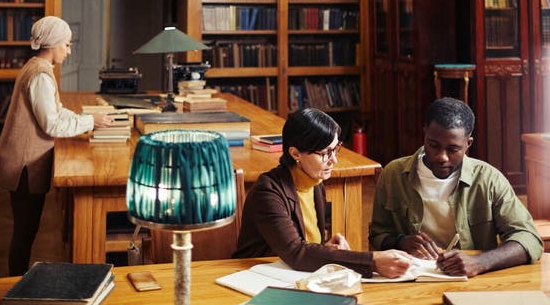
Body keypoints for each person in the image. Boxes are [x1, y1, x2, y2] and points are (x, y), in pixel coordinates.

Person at [369, 96, 543, 277]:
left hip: (472, 284)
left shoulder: (488, 179)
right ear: (425, 133)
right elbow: (377, 235)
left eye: (453, 149)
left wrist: (480, 262)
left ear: (468, 144)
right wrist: (400, 241)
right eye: (433, 145)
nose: (442, 157)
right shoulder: (393, 174)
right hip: (411, 279)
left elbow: (529, 238)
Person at [0, 15, 114, 275]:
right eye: (67, 45)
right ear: (53, 44)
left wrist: (89, 120)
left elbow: (57, 111)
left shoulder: (37, 67)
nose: (69, 51)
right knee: (25, 231)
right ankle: (13, 285)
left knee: (26, 229)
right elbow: (52, 124)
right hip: (23, 165)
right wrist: (89, 121)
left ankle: (16, 282)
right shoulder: (41, 76)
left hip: (21, 161)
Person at [233, 107, 412, 278]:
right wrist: (372, 261)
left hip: (291, 275)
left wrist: (326, 249)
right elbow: (297, 252)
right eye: (325, 153)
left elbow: (304, 247)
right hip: (255, 276)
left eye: (335, 149)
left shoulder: (315, 182)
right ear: (295, 153)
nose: (334, 160)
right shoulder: (267, 193)